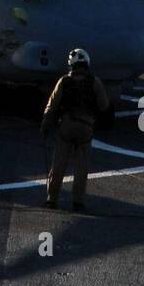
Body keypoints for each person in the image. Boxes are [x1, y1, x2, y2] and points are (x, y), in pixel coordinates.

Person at [41, 48, 109, 211]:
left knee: (58, 163)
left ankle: (52, 198)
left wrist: (45, 125)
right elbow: (104, 105)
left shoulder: (64, 81)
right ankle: (78, 201)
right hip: (86, 126)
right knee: (81, 166)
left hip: (67, 125)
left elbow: (52, 106)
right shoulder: (95, 82)